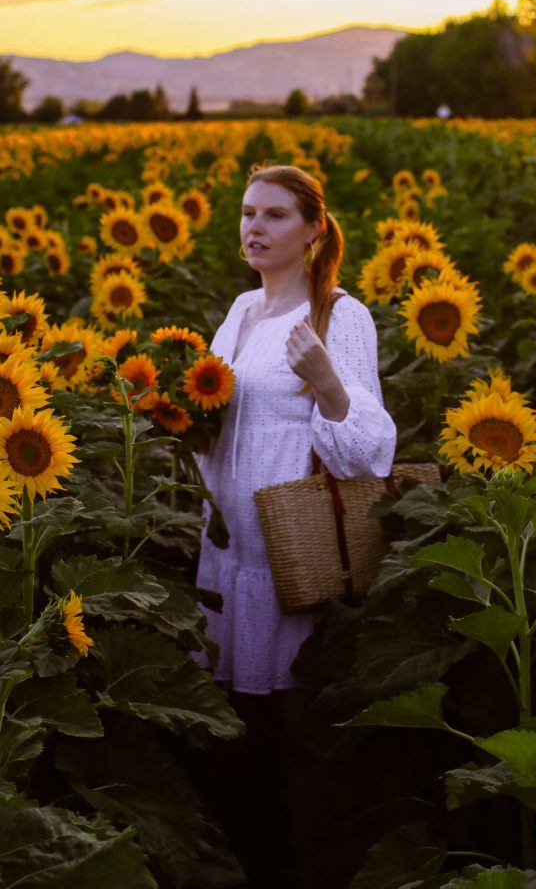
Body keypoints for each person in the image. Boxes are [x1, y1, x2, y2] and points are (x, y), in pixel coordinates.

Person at [191, 162, 397, 887]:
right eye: (247, 213)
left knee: (300, 734)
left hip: (295, 552)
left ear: (313, 229)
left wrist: (329, 382)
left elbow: (369, 447)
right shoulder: (240, 314)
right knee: (242, 735)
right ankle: (256, 863)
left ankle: (313, 869)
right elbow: (222, 430)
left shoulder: (338, 315)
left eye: (274, 215)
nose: (254, 227)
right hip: (231, 553)